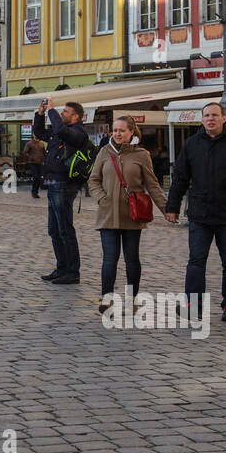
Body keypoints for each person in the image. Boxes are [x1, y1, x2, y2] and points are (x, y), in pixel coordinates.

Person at [165, 101, 226, 323]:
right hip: (200, 213)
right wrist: (172, 207)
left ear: (223, 118)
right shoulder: (192, 144)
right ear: (202, 119)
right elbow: (180, 178)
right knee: (196, 261)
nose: (210, 119)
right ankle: (193, 306)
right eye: (206, 115)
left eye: (215, 115)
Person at [88, 116, 169, 314]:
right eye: (115, 130)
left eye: (122, 130)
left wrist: (167, 209)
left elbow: (152, 184)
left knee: (132, 259)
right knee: (110, 259)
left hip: (133, 215)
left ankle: (132, 299)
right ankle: (107, 299)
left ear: (132, 132)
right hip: (108, 215)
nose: (117, 134)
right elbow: (93, 180)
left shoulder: (141, 154)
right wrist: (102, 198)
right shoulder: (104, 152)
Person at [34, 98, 96, 286]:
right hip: (53, 182)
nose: (61, 114)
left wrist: (52, 111)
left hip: (65, 184)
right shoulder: (60, 130)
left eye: (65, 112)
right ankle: (61, 268)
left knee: (65, 230)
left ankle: (72, 272)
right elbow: (39, 133)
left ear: (76, 116)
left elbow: (61, 130)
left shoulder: (78, 133)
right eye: (61, 112)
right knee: (54, 230)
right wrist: (40, 114)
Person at [22, 134, 45, 199]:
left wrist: (45, 159)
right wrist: (30, 157)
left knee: (39, 178)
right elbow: (25, 152)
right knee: (36, 177)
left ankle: (35, 192)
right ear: (33, 135)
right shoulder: (29, 143)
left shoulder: (42, 143)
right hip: (32, 163)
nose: (37, 135)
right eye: (35, 134)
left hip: (40, 163)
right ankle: (34, 192)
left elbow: (44, 153)